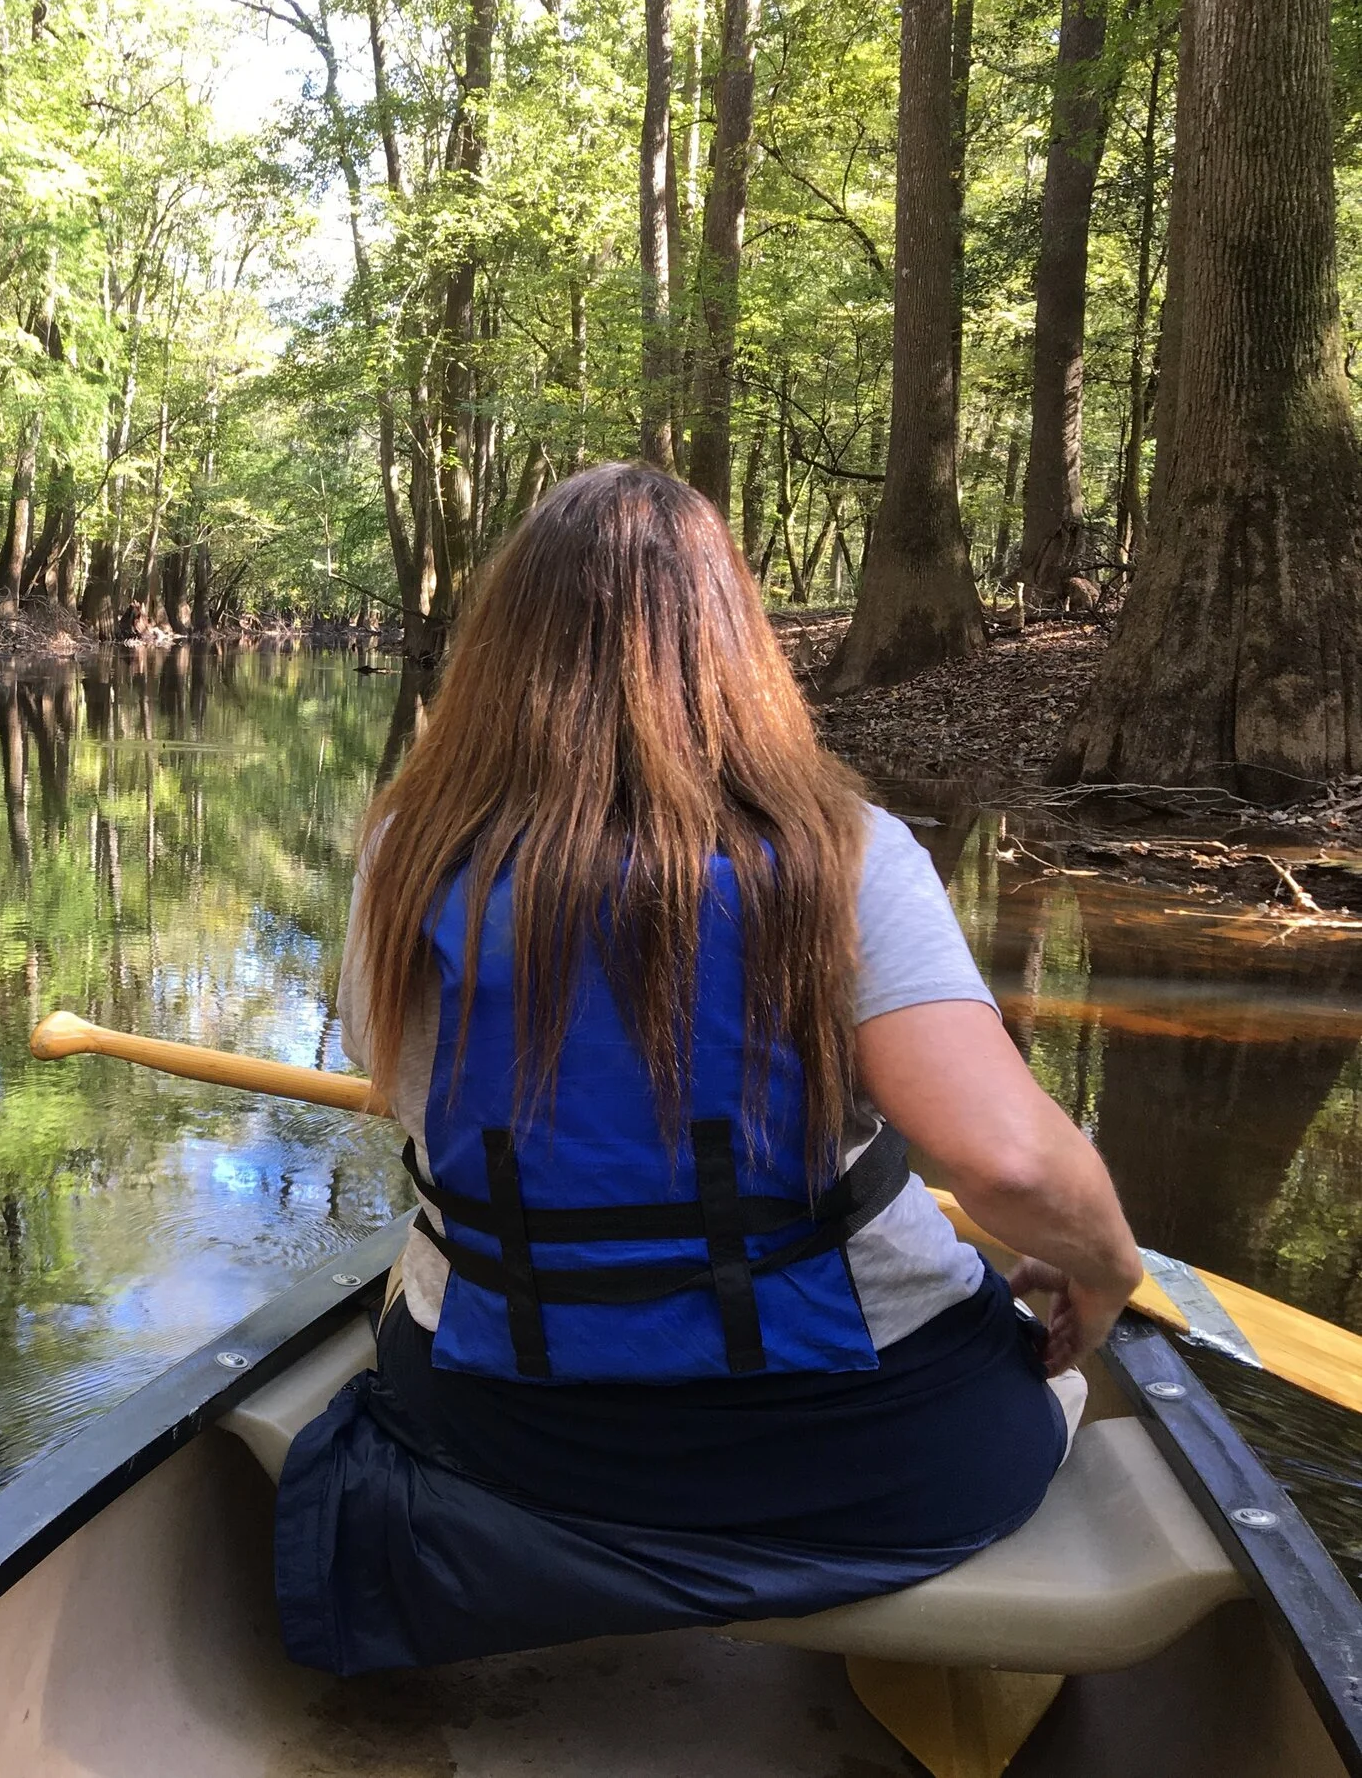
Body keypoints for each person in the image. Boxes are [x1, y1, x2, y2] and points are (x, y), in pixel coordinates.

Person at [276, 462, 1144, 1676]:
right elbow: (1004, 1161)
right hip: (862, 1459)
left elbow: (385, 1073)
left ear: (496, 654)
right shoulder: (843, 854)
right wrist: (1105, 1269)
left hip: (505, 1442)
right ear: (737, 645)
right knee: (1048, 1388)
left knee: (405, 1297)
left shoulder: (405, 854)